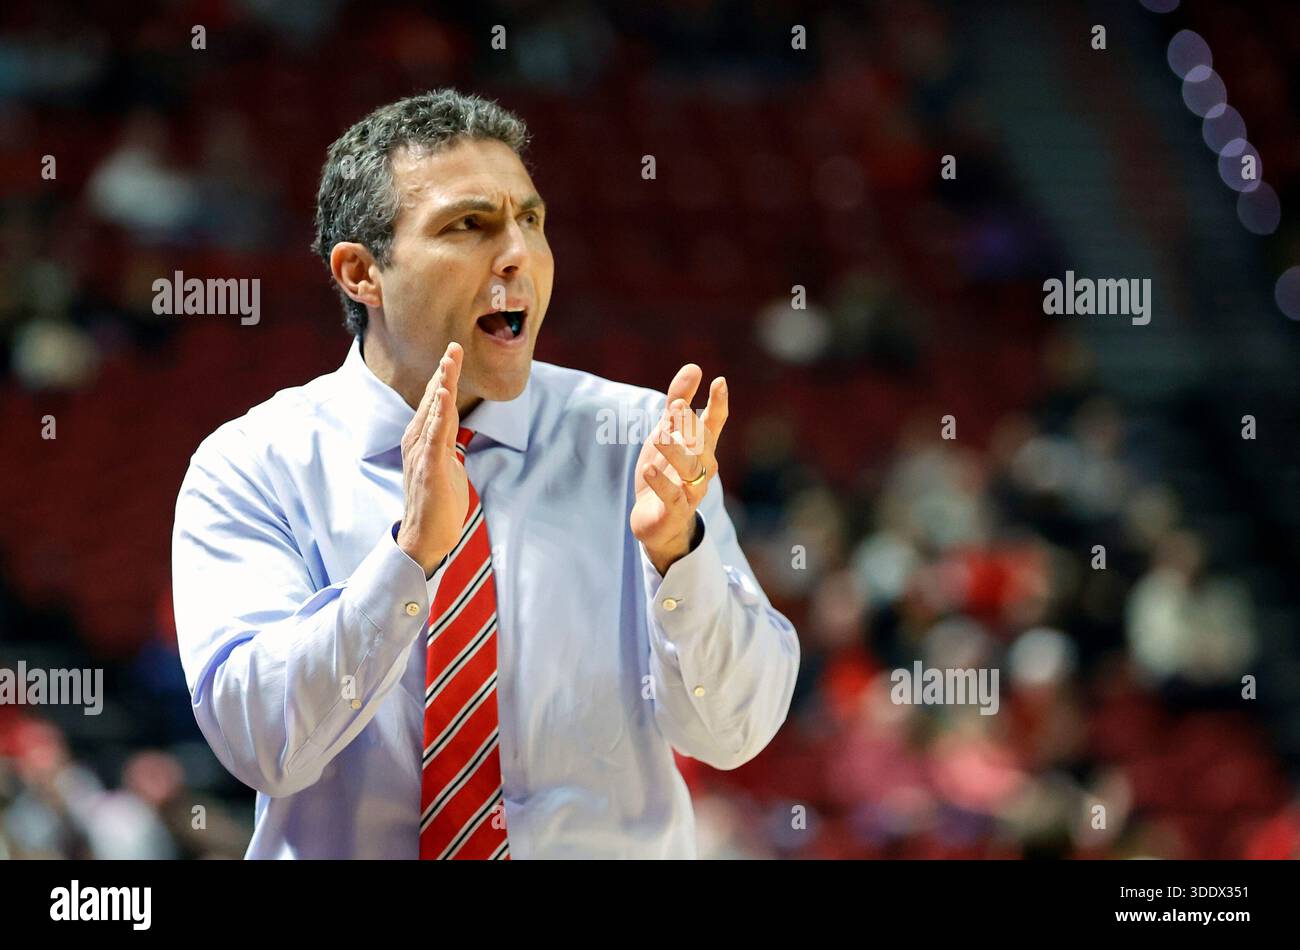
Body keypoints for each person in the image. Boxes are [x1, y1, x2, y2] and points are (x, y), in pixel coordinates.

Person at [171, 88, 800, 859]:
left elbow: (734, 731)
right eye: (469, 225)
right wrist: (406, 560)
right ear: (361, 272)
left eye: (530, 220)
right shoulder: (250, 465)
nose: (517, 255)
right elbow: (260, 743)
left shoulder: (635, 441)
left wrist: (681, 554)